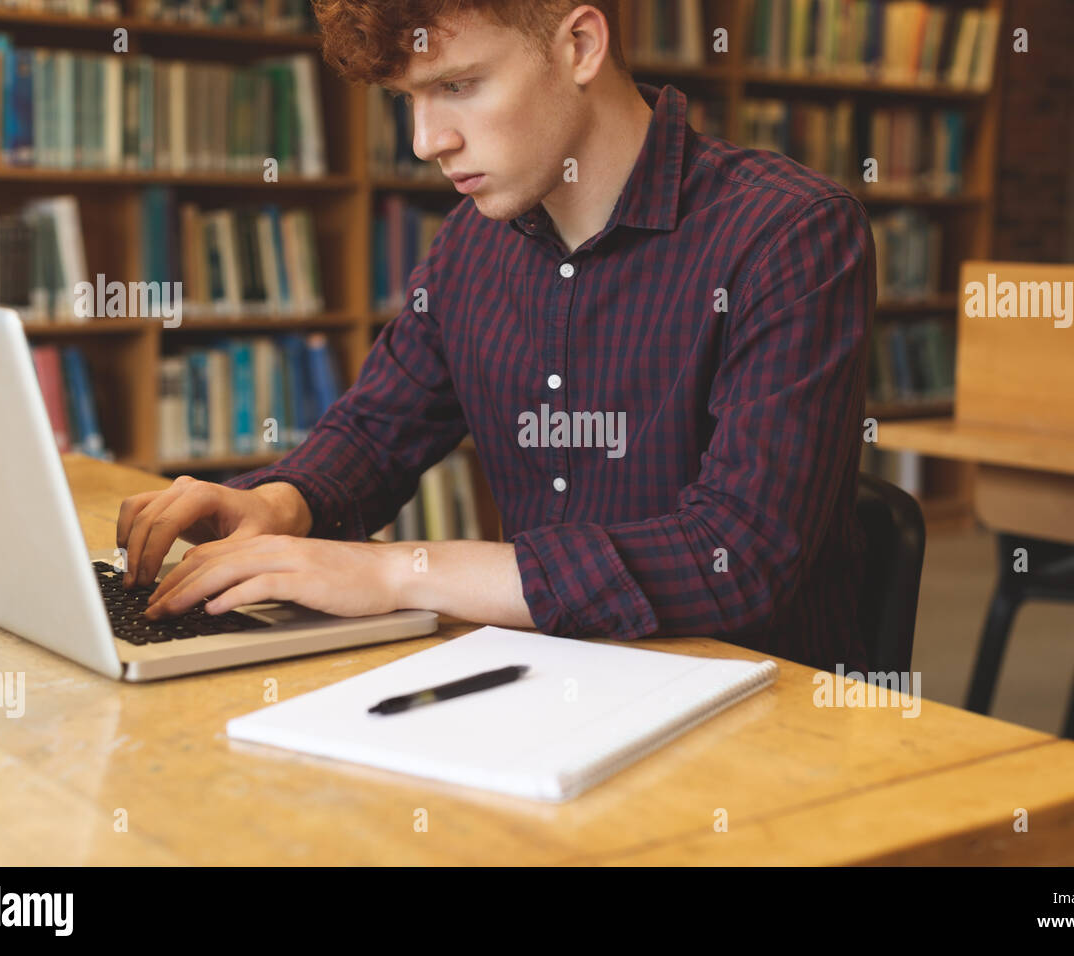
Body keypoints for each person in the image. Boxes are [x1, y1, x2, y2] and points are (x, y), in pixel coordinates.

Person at [119, 0, 876, 672]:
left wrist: (397, 574)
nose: (425, 140)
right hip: (537, 686)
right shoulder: (471, 244)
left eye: (457, 85)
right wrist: (282, 503)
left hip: (758, 717)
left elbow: (738, 556)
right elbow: (378, 432)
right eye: (405, 98)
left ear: (580, 45)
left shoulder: (790, 233)